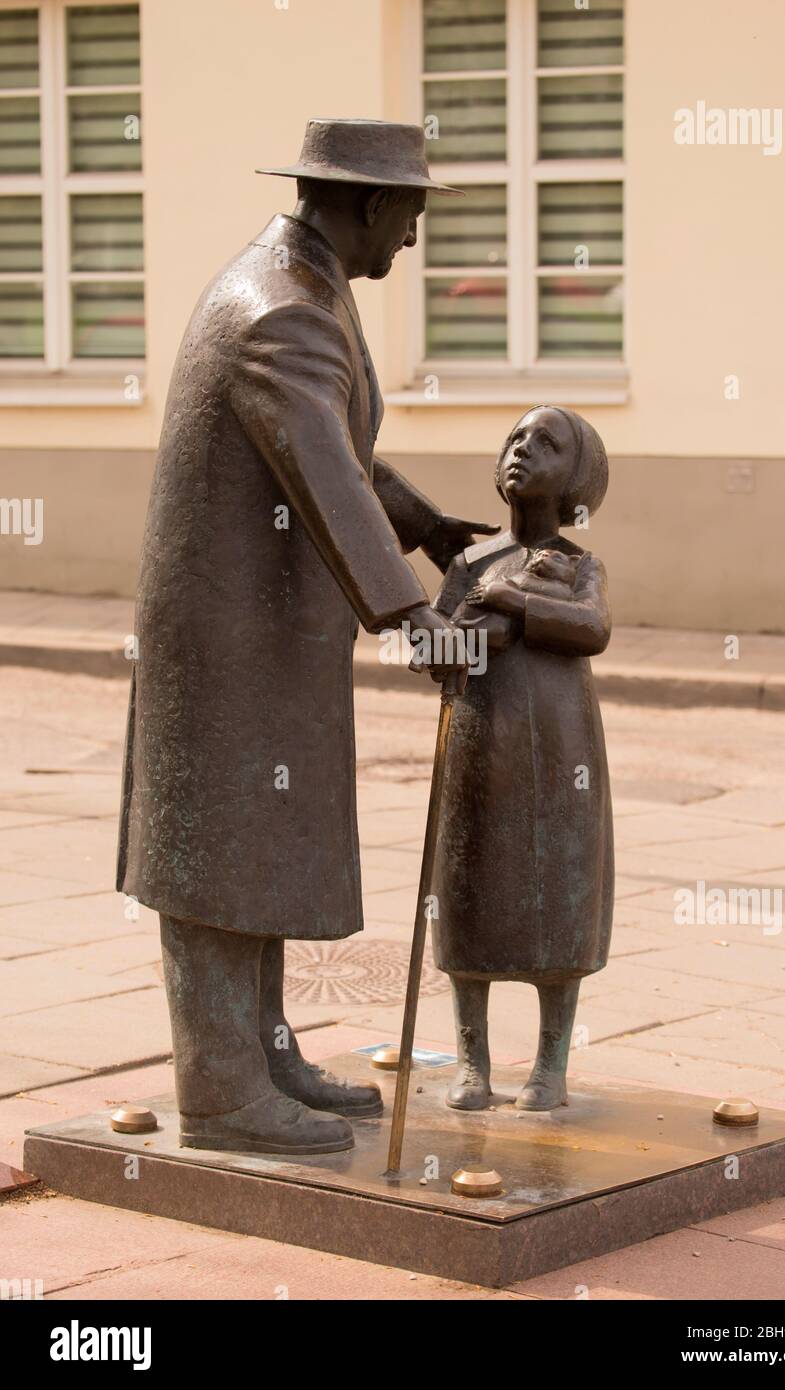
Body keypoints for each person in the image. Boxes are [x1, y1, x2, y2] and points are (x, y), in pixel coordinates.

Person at [116, 120, 498, 1155]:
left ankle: (262, 1048)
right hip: (227, 639)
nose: (412, 240)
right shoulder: (277, 308)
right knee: (220, 848)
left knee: (262, 841)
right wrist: (413, 621)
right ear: (369, 205)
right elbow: (324, 481)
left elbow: (333, 451)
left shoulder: (304, 284)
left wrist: (420, 525)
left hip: (265, 625)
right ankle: (221, 1091)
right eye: (409, 216)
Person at [429, 406, 614, 1112]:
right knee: (469, 883)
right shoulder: (468, 561)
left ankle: (550, 1065)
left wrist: (512, 600)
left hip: (562, 744)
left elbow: (593, 627)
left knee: (561, 886)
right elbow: (432, 648)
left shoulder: (577, 564)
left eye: (545, 443)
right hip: (479, 739)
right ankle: (471, 1063)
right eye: (515, 439)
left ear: (576, 475)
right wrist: (470, 637)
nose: (522, 450)